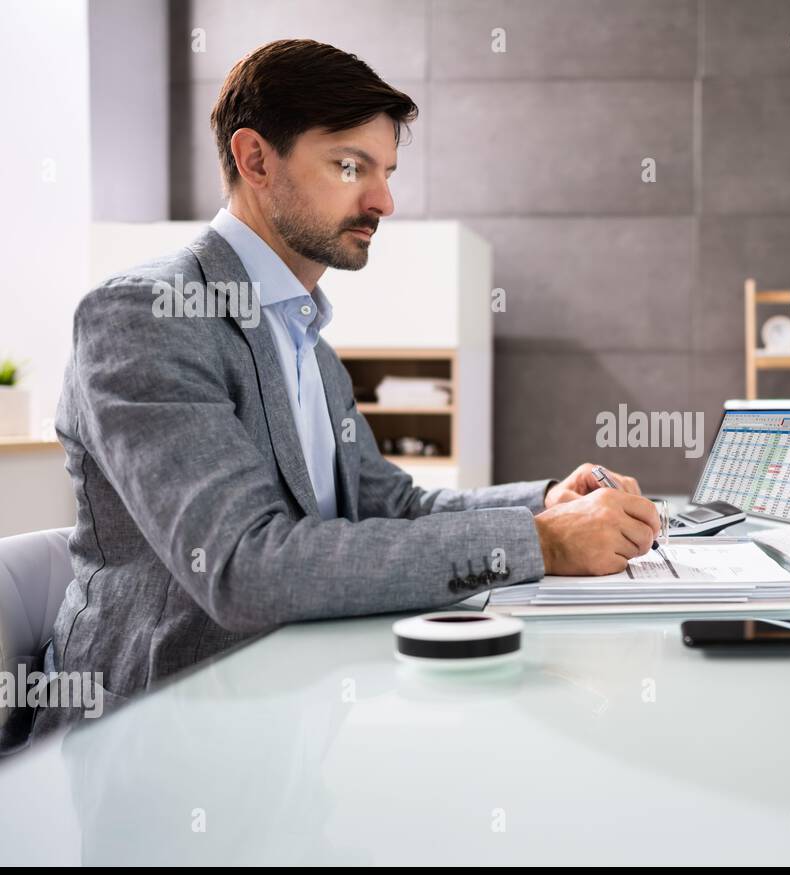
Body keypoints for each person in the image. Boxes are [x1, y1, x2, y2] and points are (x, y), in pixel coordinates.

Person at [28, 39, 658, 740]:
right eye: (350, 166)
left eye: (386, 171)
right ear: (256, 159)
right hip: (157, 741)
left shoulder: (308, 345)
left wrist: (543, 501)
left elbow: (395, 505)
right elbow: (244, 566)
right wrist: (539, 543)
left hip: (296, 725)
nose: (384, 199)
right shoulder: (147, 315)